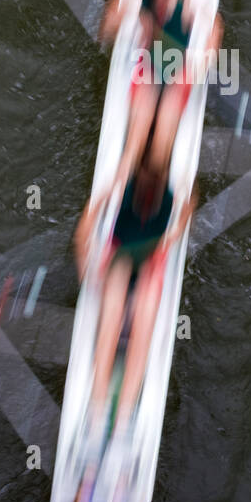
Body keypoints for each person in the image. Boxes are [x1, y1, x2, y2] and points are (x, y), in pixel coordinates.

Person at [74, 129, 197, 434]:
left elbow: (175, 232)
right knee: (110, 324)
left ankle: (125, 417)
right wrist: (86, 271)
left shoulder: (168, 199)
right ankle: (98, 411)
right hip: (119, 265)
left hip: (145, 270)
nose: (148, 193)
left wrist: (187, 212)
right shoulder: (125, 191)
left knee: (142, 334)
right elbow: (85, 230)